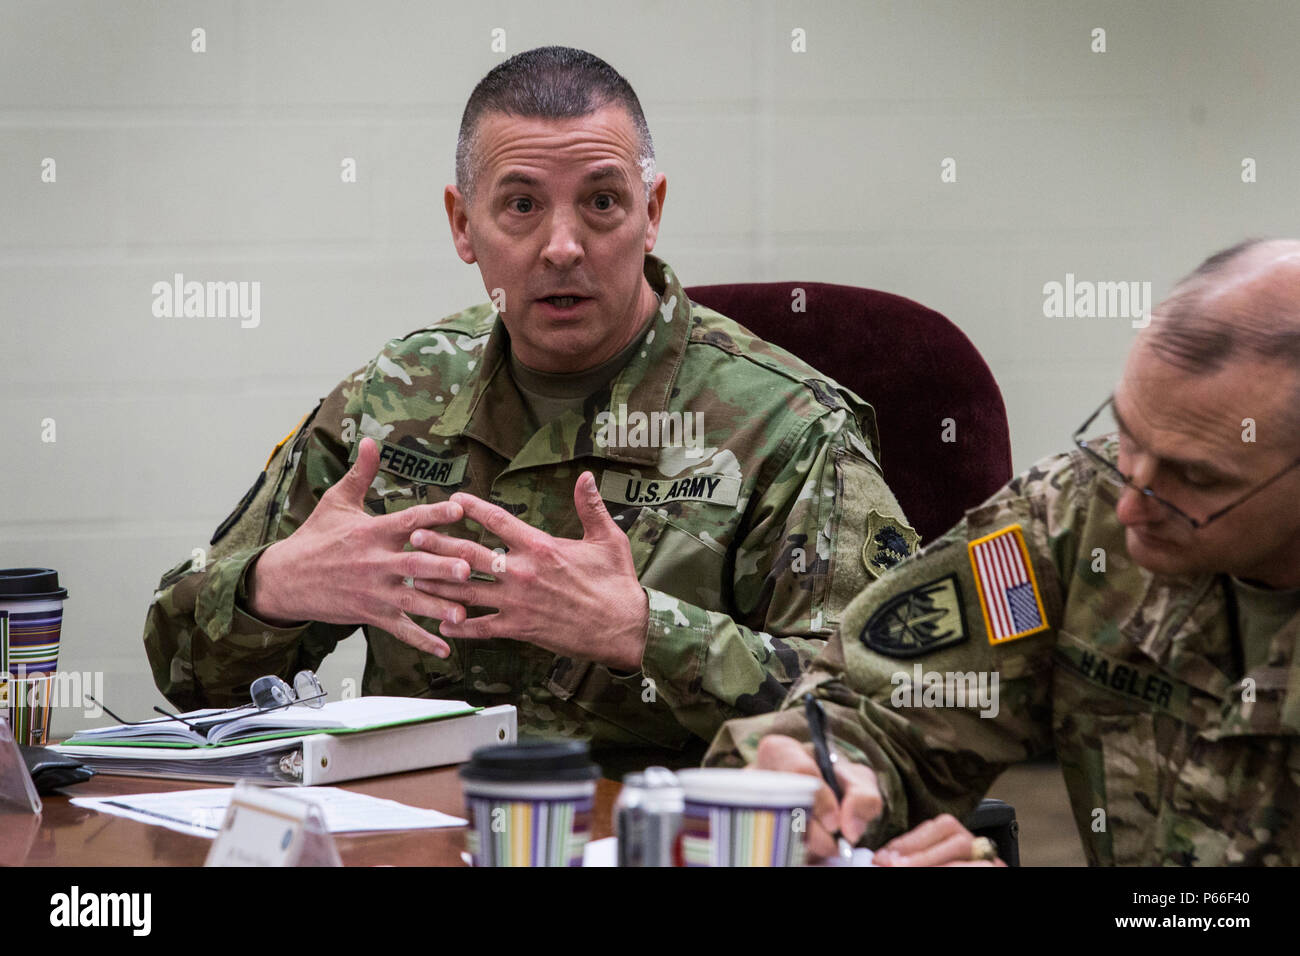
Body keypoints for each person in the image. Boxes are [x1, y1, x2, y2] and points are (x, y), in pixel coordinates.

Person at [142, 46, 914, 769]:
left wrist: (645, 630)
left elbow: (896, 709)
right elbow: (182, 670)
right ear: (462, 224)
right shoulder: (395, 397)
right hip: (422, 838)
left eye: (603, 202)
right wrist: (273, 588)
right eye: (521, 205)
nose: (562, 247)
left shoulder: (785, 426)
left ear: (653, 212)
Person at [706, 238, 1300, 864]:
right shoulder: (1074, 522)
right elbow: (890, 701)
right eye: (1126, 435)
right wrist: (829, 768)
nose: (1130, 504)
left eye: (1198, 479)